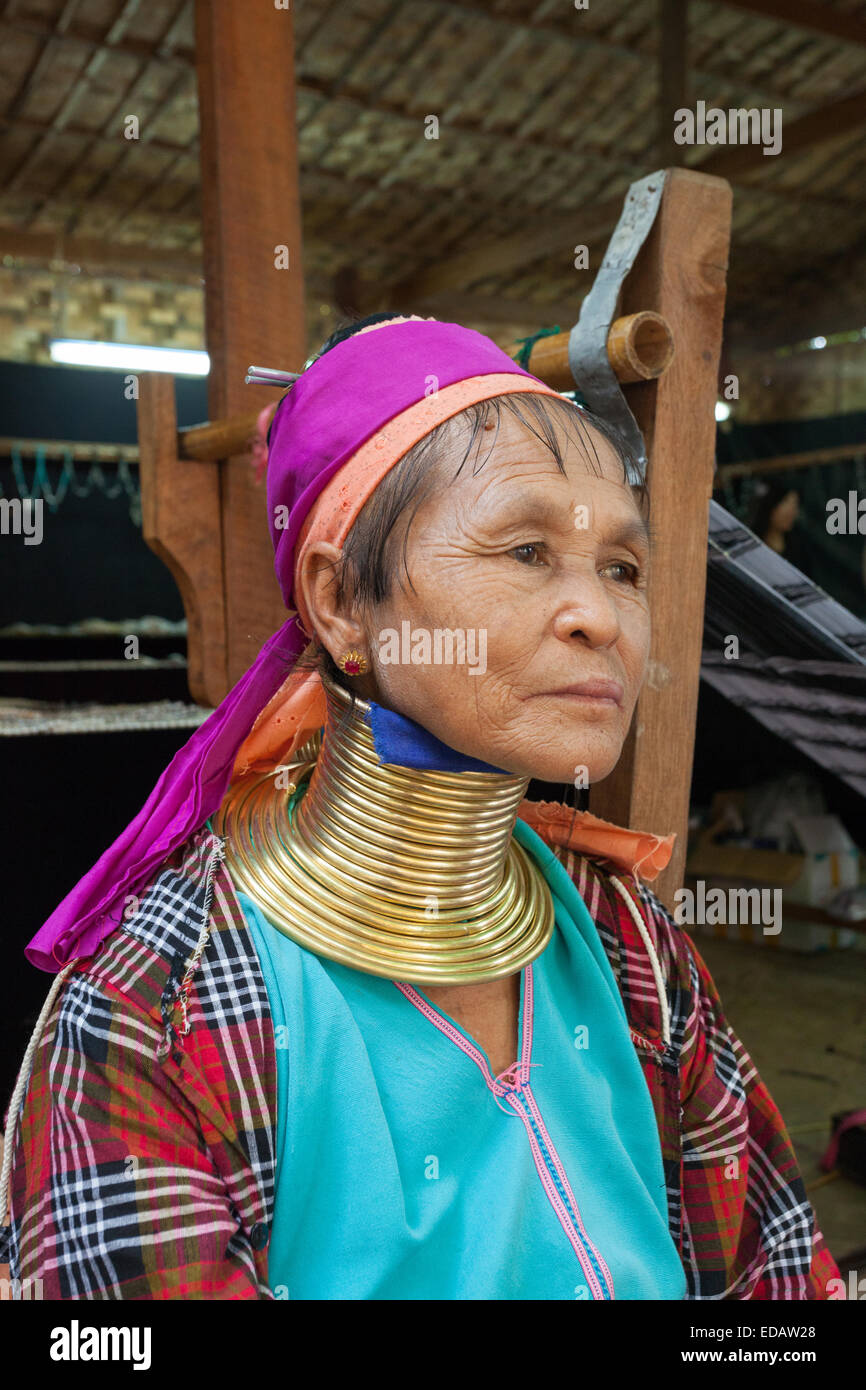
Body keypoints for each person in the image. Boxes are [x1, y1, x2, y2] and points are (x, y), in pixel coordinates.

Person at [1, 315, 840, 1300]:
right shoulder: (161, 1002)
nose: (600, 617)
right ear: (341, 603)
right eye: (525, 550)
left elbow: (774, 1276)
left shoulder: (622, 937)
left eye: (620, 566)